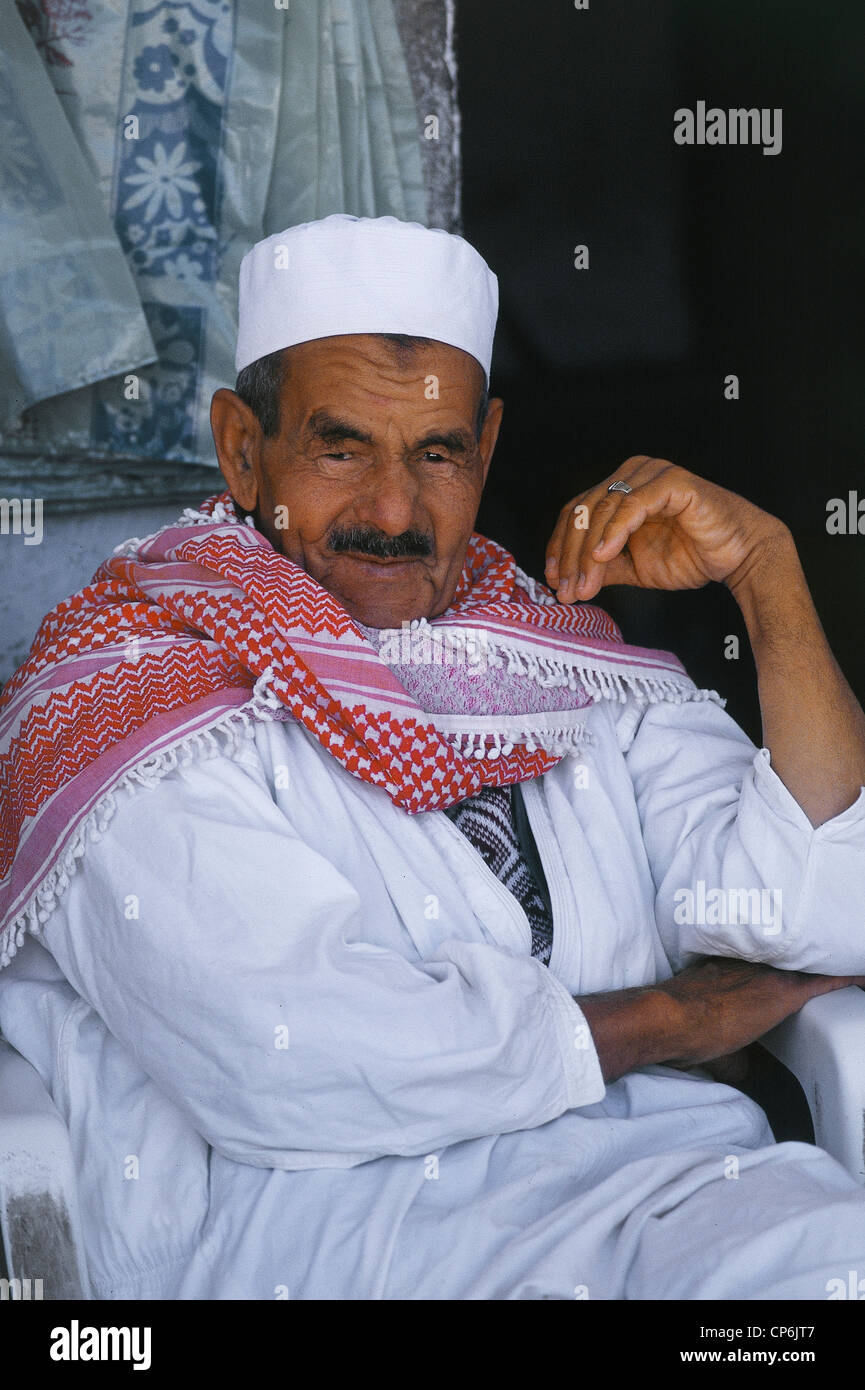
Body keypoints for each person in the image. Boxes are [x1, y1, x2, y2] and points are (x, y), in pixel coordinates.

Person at [2, 213, 865, 1301]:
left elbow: (822, 898)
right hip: (347, 1238)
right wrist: (670, 1019)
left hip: (680, 1191)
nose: (394, 511)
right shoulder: (128, 691)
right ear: (239, 446)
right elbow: (295, 1057)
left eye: (437, 452)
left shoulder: (563, 659)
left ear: (485, 449)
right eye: (339, 447)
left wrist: (768, 574)